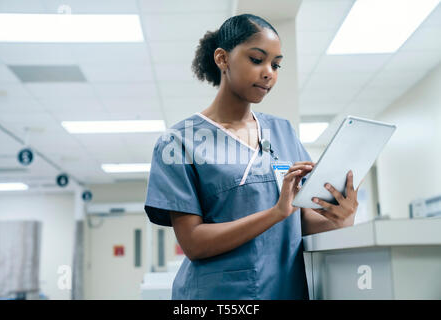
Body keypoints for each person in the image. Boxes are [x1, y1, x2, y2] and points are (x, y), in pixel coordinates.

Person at [144, 14, 360, 300]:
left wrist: (341, 217)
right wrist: (274, 213)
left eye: (276, 64)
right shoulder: (178, 142)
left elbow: (300, 219)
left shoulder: (282, 131)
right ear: (222, 59)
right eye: (257, 60)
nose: (269, 72)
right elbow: (193, 242)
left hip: (286, 290)